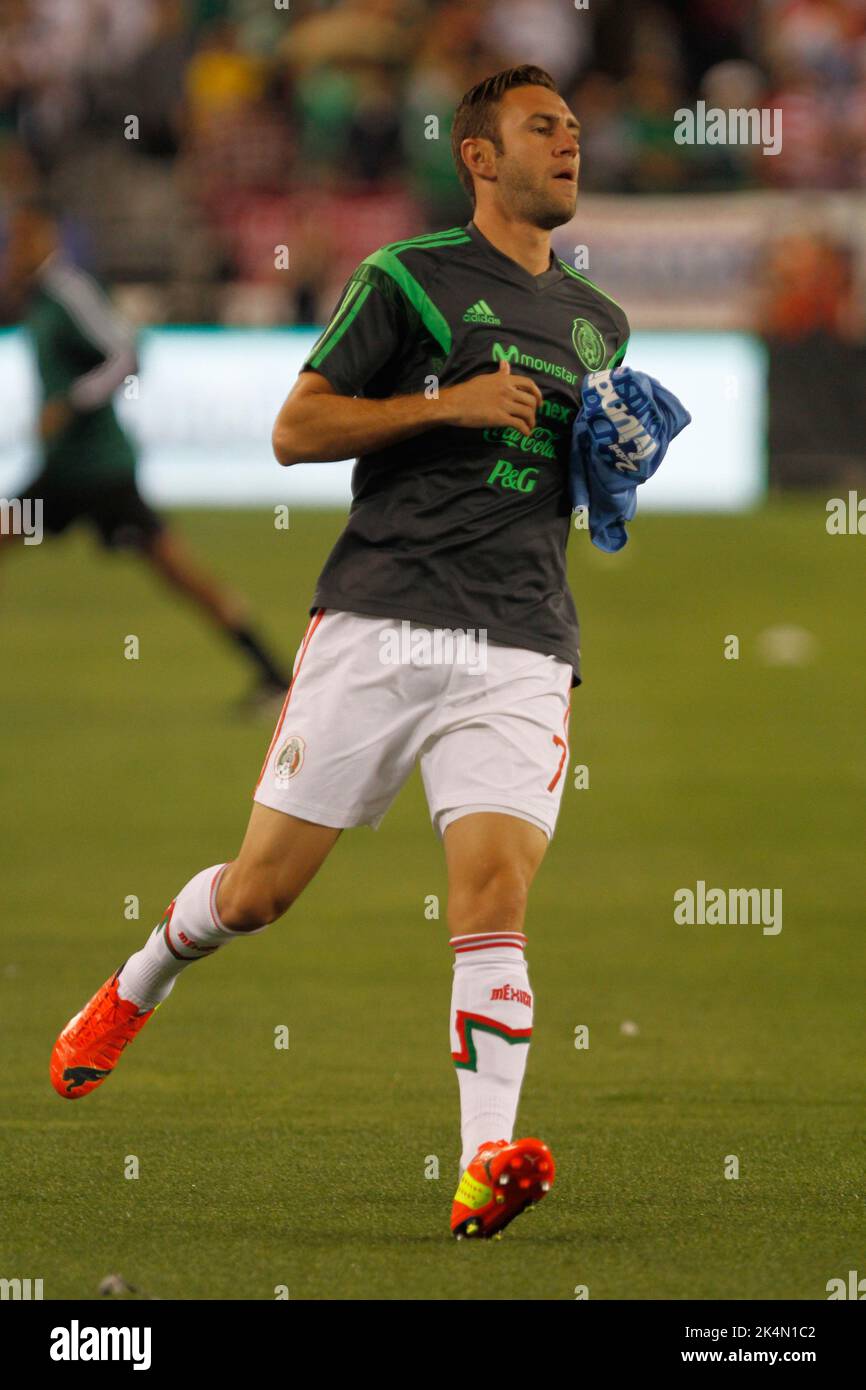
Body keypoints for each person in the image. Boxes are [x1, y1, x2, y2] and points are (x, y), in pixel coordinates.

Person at [49, 65, 630, 1241]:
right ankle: (139, 978)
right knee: (258, 895)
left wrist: (611, 466)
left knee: (493, 892)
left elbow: (565, 474)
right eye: (540, 128)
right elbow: (294, 427)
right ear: (478, 156)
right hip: (379, 617)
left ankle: (482, 1162)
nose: (568, 142)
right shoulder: (407, 280)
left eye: (572, 127)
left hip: (521, 633)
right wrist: (443, 408)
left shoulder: (597, 321)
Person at [1, 200, 289, 710]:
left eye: (23, 235)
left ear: (47, 235)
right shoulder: (38, 296)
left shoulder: (68, 290)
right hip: (64, 472)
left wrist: (72, 402)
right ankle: (271, 673)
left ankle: (273, 674)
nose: (15, 247)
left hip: (99, 471)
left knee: (178, 572)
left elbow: (128, 352)